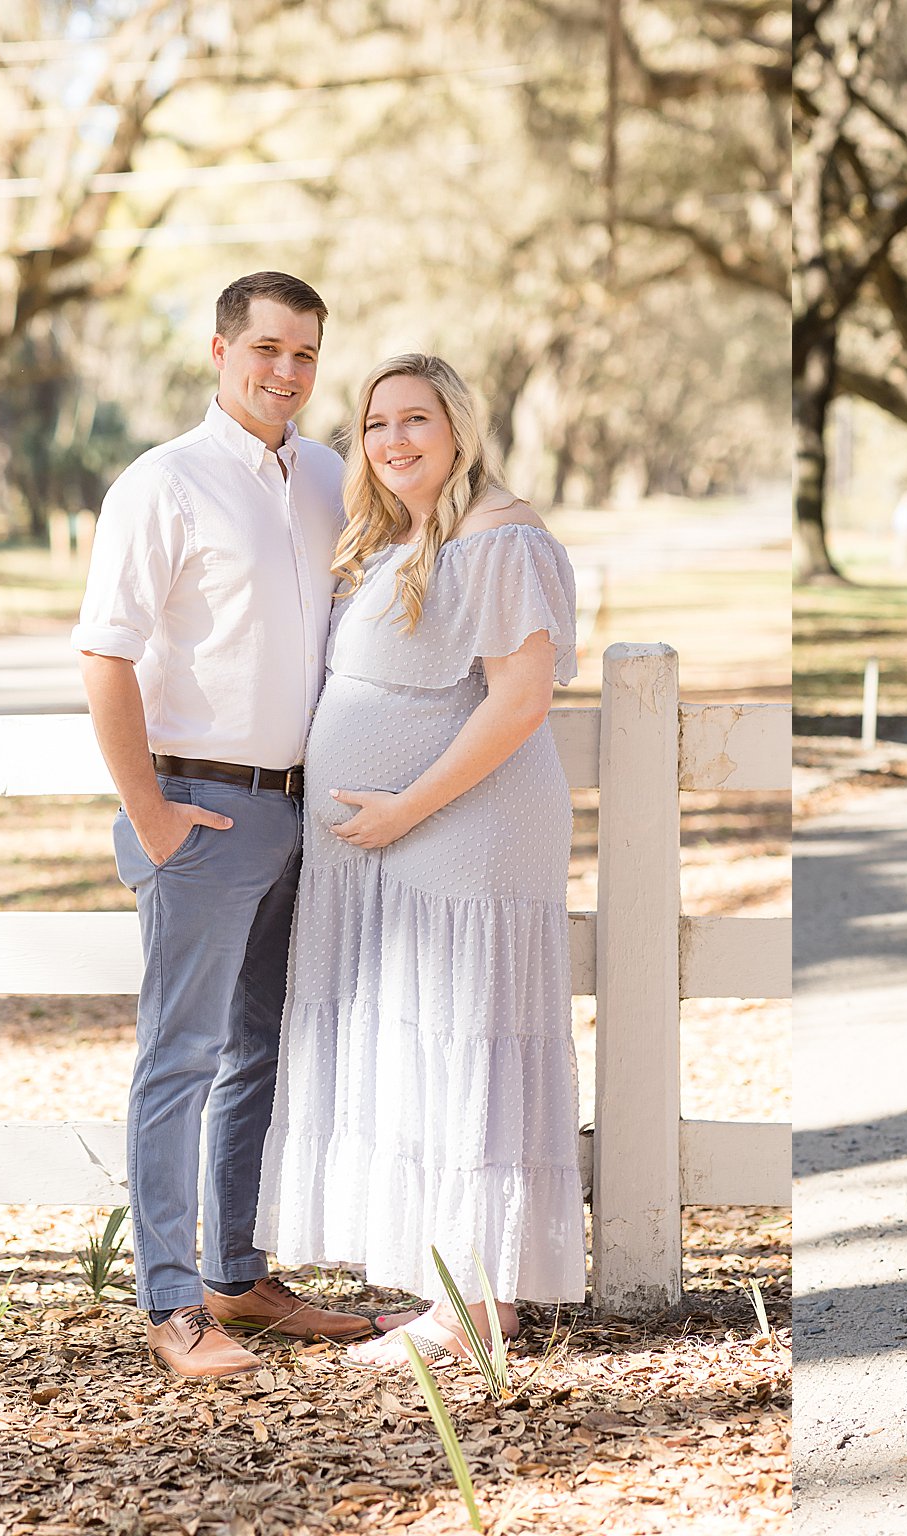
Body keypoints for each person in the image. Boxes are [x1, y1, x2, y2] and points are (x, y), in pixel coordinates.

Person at [74, 272, 378, 1378]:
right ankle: (169, 1306)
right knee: (181, 1057)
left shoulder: (331, 479)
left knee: (260, 1051)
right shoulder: (163, 485)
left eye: (304, 354)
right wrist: (150, 815)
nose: (286, 373)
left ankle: (237, 1280)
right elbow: (105, 654)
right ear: (217, 350)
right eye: (266, 349)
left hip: (302, 811)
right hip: (199, 808)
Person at [254, 352, 585, 1367]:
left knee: (462, 1041)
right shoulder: (404, 537)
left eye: (417, 419)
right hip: (396, 842)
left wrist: (404, 808)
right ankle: (462, 1293)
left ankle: (472, 1316)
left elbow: (520, 700)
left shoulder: (500, 536)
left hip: (461, 833)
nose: (395, 439)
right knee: (420, 1046)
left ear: (459, 429)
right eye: (377, 424)